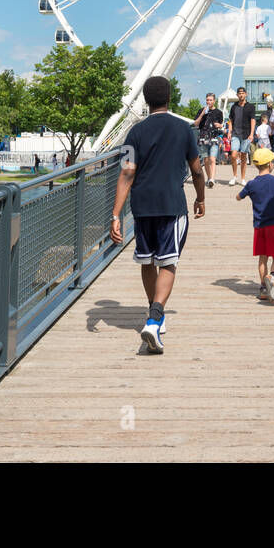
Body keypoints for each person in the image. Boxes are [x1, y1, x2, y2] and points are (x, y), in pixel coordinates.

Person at [109, 75, 206, 355]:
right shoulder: (184, 129)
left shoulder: (134, 133)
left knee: (147, 260)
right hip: (172, 206)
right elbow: (197, 169)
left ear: (145, 100)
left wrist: (116, 215)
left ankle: (155, 313)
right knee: (168, 262)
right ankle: (154, 319)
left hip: (141, 207)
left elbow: (127, 172)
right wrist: (200, 198)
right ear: (169, 98)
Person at [237, 148, 274, 300]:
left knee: (262, 257)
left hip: (259, 225)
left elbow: (238, 197)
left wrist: (245, 193)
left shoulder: (251, 184)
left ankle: (263, 289)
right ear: (270, 164)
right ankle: (272, 277)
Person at [192, 92, 225, 188]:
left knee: (212, 159)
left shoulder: (219, 112)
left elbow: (221, 124)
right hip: (203, 137)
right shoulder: (201, 110)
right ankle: (209, 178)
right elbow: (196, 124)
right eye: (207, 100)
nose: (209, 101)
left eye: (210, 100)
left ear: (214, 101)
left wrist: (220, 125)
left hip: (214, 137)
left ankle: (212, 179)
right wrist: (202, 114)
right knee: (206, 160)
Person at [227, 86, 256, 186]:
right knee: (234, 155)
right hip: (235, 133)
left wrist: (252, 134)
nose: (241, 95)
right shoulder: (234, 106)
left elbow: (253, 120)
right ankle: (234, 176)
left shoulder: (251, 107)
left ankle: (243, 178)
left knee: (244, 156)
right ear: (237, 95)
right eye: (239, 93)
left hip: (246, 134)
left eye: (243, 93)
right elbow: (230, 120)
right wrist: (229, 132)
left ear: (246, 94)